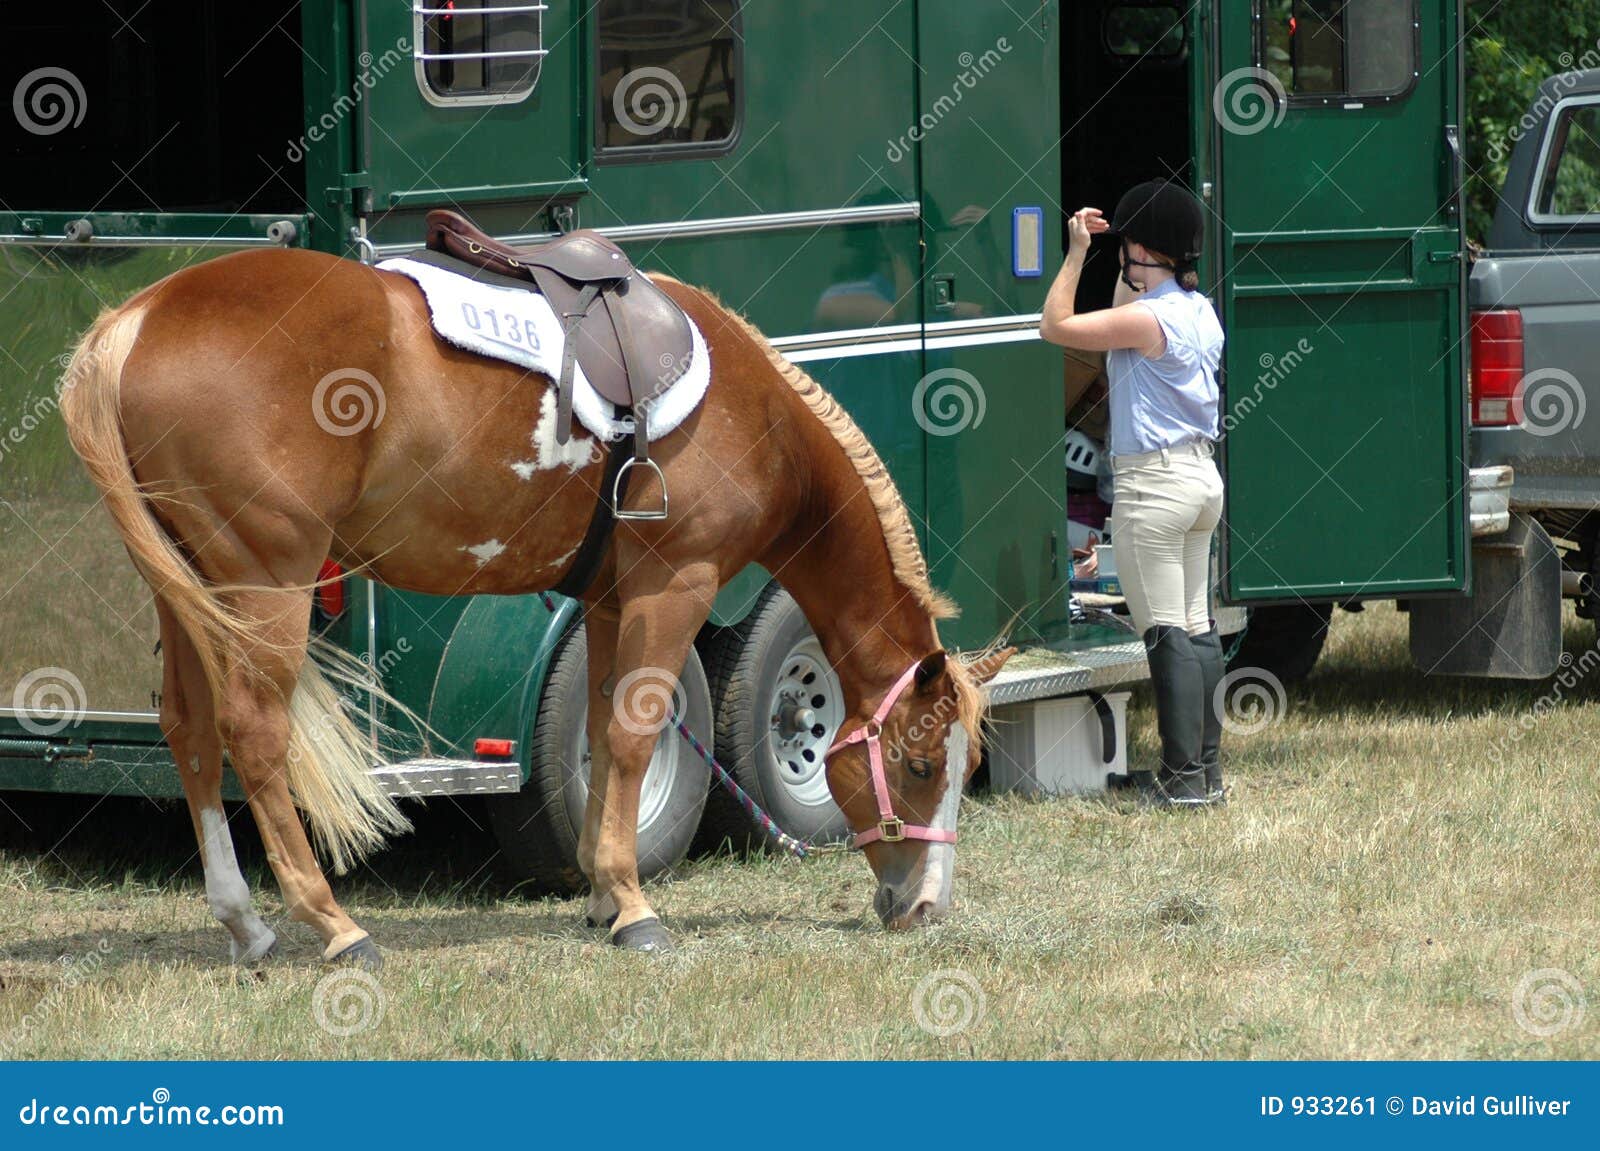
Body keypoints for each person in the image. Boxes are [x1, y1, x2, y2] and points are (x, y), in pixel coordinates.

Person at [1038, 180, 1226, 807]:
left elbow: (1055, 326)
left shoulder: (1145, 322)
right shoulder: (1198, 311)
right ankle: (1204, 775)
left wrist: (1074, 253)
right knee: (1198, 628)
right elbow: (1131, 297)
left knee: (1165, 632)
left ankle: (1179, 783)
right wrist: (1121, 257)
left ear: (1143, 248)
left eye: (1129, 244)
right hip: (1202, 481)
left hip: (1156, 487)